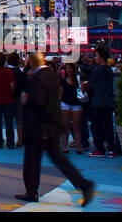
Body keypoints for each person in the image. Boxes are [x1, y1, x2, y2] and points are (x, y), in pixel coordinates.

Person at [16, 53, 95, 206]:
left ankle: (31, 191)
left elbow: (39, 100)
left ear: (32, 62)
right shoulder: (52, 74)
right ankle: (83, 184)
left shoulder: (38, 77)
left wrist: (27, 99)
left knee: (32, 160)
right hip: (51, 124)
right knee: (58, 158)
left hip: (39, 125)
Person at [86, 46, 116, 157]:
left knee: (97, 127)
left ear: (102, 57)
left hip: (98, 101)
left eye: (97, 56)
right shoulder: (109, 70)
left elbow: (89, 85)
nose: (96, 58)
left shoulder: (97, 70)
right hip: (108, 101)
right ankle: (111, 149)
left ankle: (100, 149)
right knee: (108, 126)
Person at [59, 62, 85, 154]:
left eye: (70, 68)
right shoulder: (62, 80)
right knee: (66, 127)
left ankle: (78, 147)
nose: (68, 70)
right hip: (65, 104)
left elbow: (82, 90)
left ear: (74, 69)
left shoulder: (78, 79)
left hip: (76, 104)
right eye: (67, 68)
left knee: (76, 127)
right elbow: (60, 94)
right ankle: (65, 147)